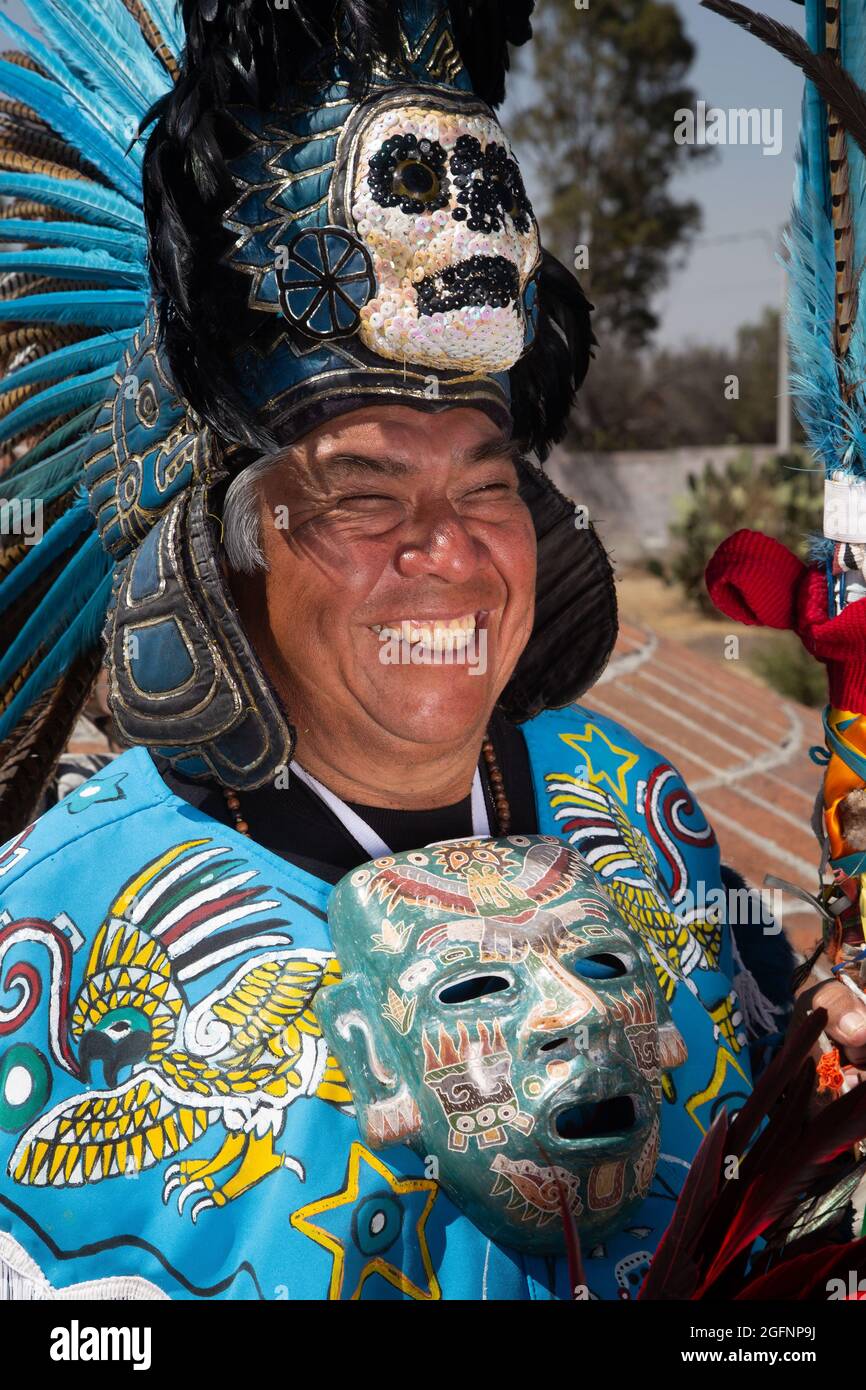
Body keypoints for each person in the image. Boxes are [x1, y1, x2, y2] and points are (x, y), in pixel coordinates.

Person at [0, 0, 861, 1302]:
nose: (449, 550)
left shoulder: (629, 801)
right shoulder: (49, 916)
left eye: (485, 476)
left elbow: (762, 1104)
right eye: (361, 486)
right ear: (221, 535)